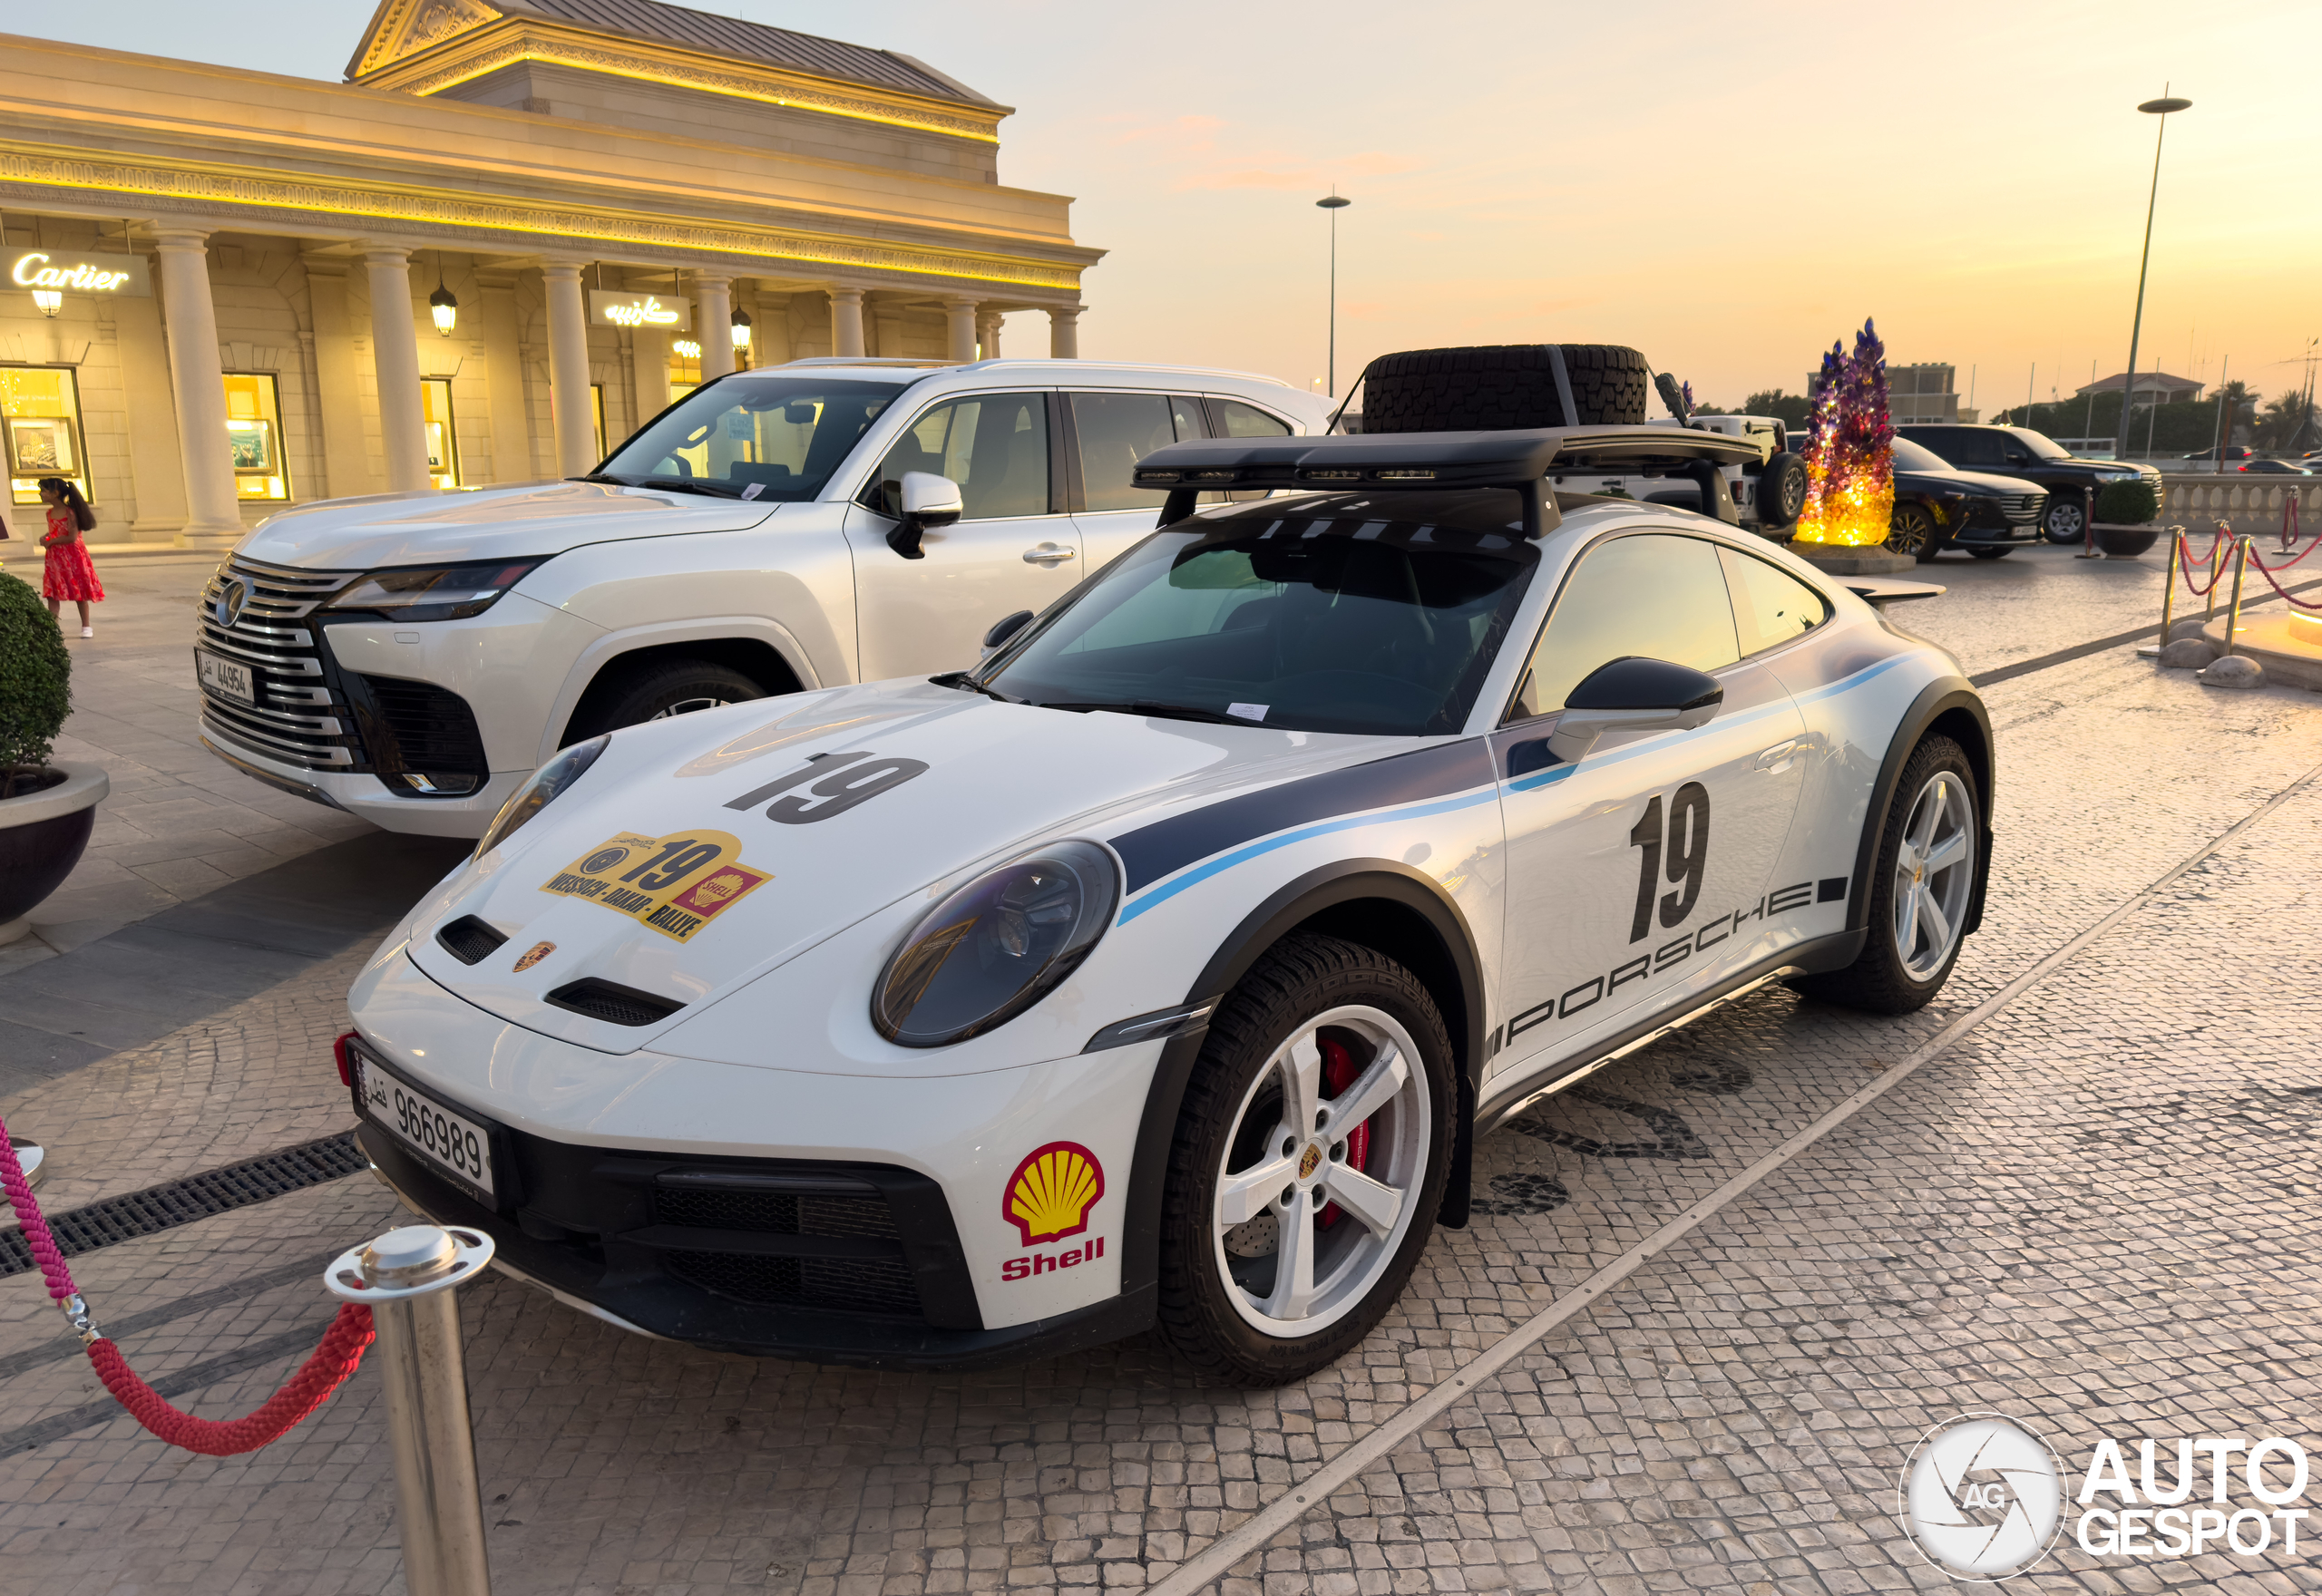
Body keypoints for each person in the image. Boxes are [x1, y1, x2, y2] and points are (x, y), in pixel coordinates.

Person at [36, 477, 102, 637]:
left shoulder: (70, 512)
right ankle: (52, 627)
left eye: (44, 490)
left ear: (55, 493)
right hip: (55, 557)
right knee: (52, 591)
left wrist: (52, 541)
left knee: (79, 589)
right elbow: (55, 530)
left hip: (73, 555)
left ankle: (86, 626)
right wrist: (47, 537)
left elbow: (72, 537)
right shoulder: (49, 513)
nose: (41, 493)